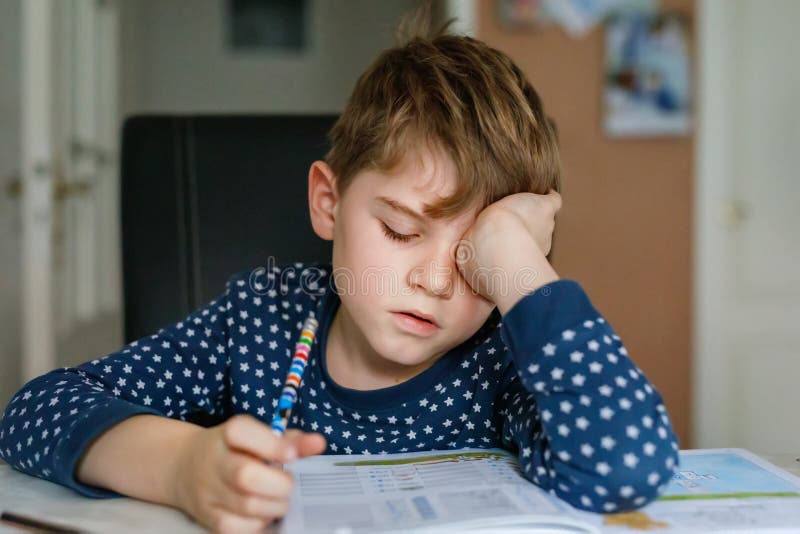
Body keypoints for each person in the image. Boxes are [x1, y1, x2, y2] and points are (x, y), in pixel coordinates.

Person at [0, 12, 679, 534]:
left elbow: (628, 465)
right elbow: (35, 411)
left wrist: (524, 271)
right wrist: (182, 468)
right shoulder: (262, 319)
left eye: (477, 259)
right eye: (401, 231)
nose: (436, 283)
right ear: (329, 202)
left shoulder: (502, 362)